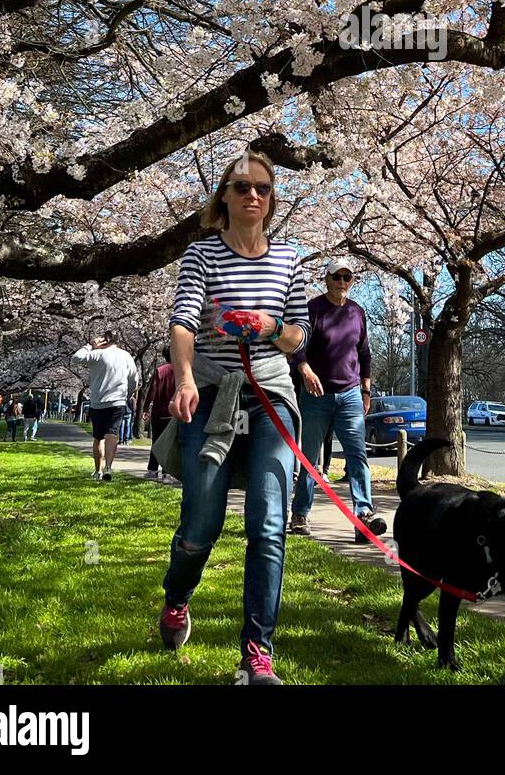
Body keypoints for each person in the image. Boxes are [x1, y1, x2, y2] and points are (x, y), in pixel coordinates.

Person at [155, 150, 310, 686]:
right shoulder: (201, 255)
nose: (252, 196)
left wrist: (268, 325)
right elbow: (182, 322)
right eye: (241, 186)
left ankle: (256, 654)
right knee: (202, 524)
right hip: (213, 393)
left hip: (271, 395)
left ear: (272, 200)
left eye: (262, 189)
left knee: (268, 526)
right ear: (224, 194)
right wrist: (186, 379)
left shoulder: (290, 257)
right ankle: (177, 598)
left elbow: (297, 335)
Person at [288, 256, 385, 543]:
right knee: (308, 458)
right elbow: (297, 349)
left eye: (348, 277)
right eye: (337, 277)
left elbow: (364, 353)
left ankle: (363, 517)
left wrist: (366, 390)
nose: (342, 282)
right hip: (317, 396)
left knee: (357, 456)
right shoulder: (313, 309)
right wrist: (305, 371)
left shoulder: (357, 312)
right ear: (326, 279)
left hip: (351, 394)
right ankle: (300, 514)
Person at [71, 331, 139, 481]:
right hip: (118, 402)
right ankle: (108, 467)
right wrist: (127, 395)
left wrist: (90, 345)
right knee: (112, 434)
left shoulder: (98, 354)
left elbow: (76, 358)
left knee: (98, 437)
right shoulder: (126, 356)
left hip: (98, 402)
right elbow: (134, 379)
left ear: (104, 340)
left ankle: (97, 470)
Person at [143, 348, 176, 480]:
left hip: (159, 412)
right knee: (171, 443)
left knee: (156, 441)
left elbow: (152, 392)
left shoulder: (160, 371)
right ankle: (167, 470)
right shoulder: (183, 371)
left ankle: (152, 469)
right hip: (174, 413)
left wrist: (145, 409)